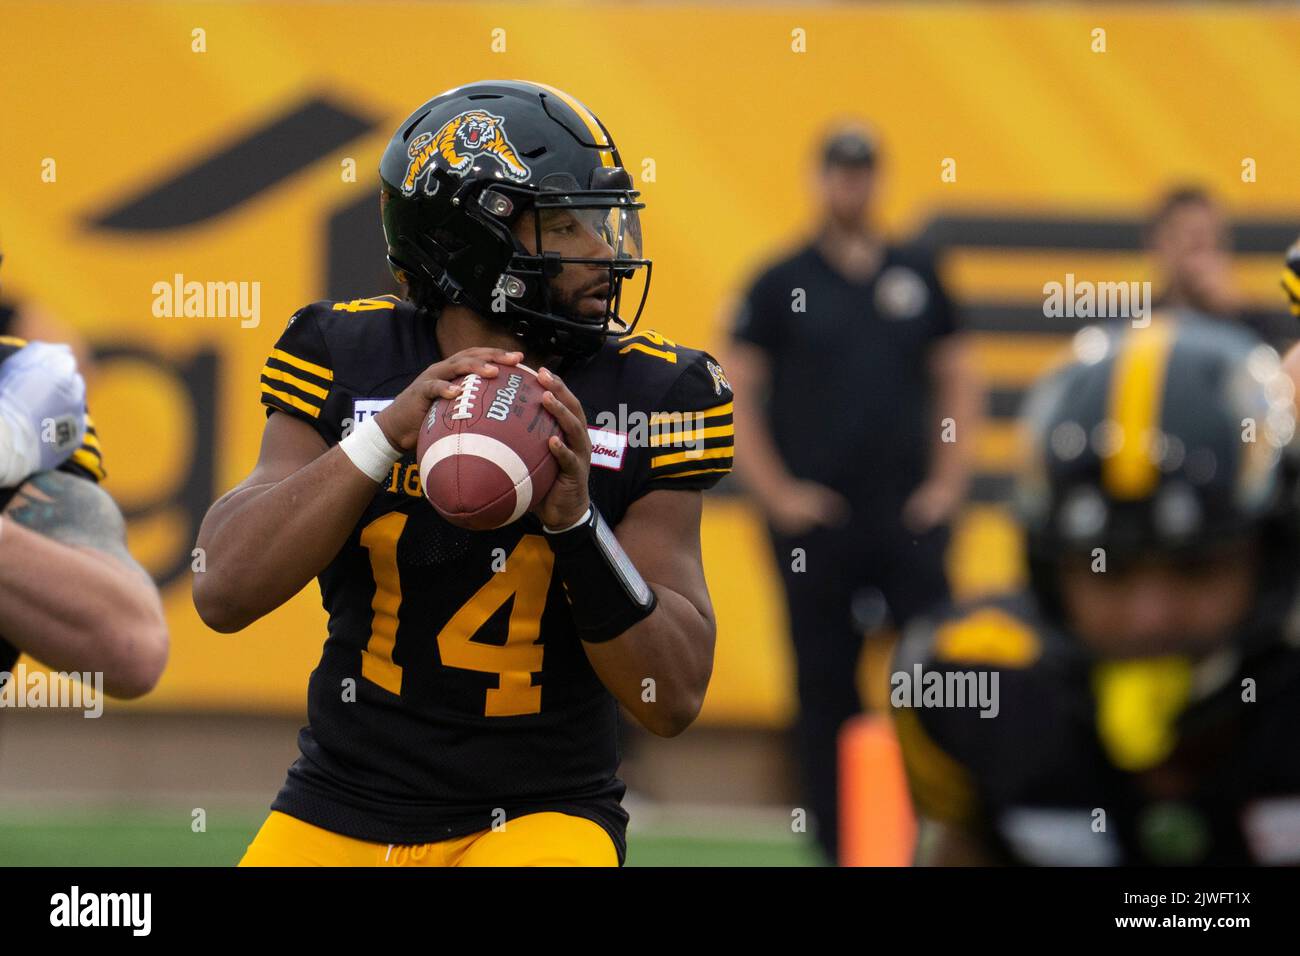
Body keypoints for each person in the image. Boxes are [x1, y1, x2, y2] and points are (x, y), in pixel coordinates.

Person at [193, 80, 733, 867]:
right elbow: (223, 589)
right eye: (566, 222)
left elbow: (673, 697)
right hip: (341, 800)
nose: (604, 249)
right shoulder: (348, 356)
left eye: (602, 218)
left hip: (543, 815)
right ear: (471, 239)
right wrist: (379, 441)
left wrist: (577, 523)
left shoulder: (652, 393)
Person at [895, 314, 1300, 865]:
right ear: (1049, 572)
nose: (1150, 618)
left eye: (1196, 567)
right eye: (1109, 571)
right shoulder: (975, 681)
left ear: (1272, 557)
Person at [727, 124, 979, 863]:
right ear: (817, 179)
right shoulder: (779, 282)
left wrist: (947, 486)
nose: (851, 185)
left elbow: (960, 379)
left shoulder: (918, 275)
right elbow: (738, 387)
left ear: (879, 179)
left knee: (938, 680)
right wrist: (776, 494)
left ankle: (951, 833)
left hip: (906, 519)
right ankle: (839, 848)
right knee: (825, 690)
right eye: (839, 171)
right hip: (818, 526)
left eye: (863, 171)